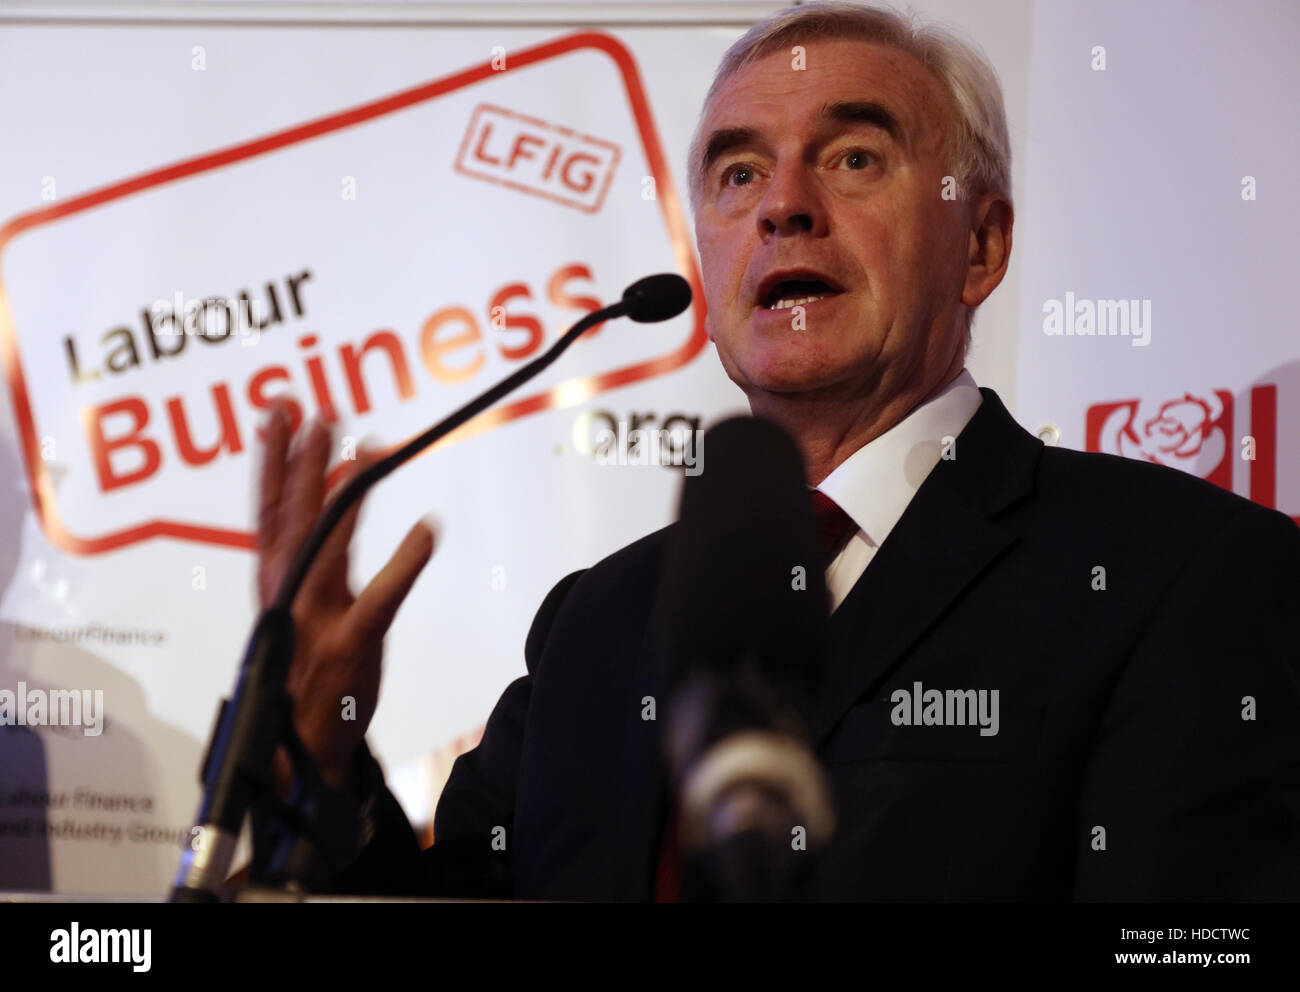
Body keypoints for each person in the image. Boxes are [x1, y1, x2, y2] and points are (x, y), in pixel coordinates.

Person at [251, 1, 1300, 900]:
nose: (784, 205)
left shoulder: (1179, 578)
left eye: (854, 157)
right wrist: (320, 751)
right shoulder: (596, 622)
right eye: (738, 172)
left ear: (978, 244)